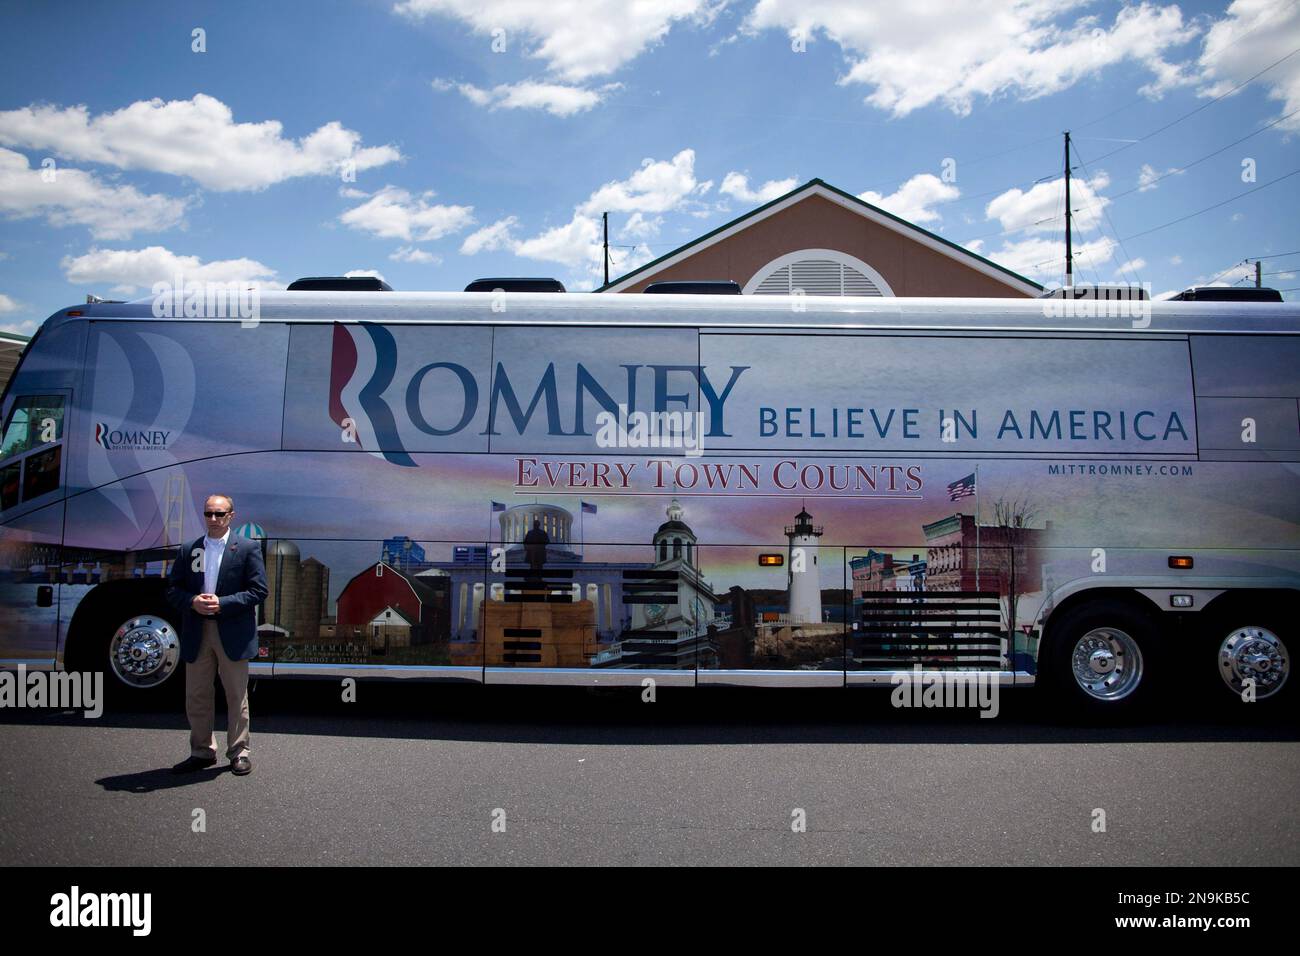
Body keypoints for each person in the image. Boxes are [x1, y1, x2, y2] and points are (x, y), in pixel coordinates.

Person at [166, 494, 268, 776]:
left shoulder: (246, 548)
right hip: (198, 630)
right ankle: (201, 751)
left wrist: (223, 603)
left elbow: (259, 591)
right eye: (208, 513)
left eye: (219, 514)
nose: (213, 519)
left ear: (231, 516)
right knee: (197, 695)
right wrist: (191, 601)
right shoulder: (188, 550)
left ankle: (239, 753)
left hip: (232, 630)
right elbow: (173, 590)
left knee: (236, 695)